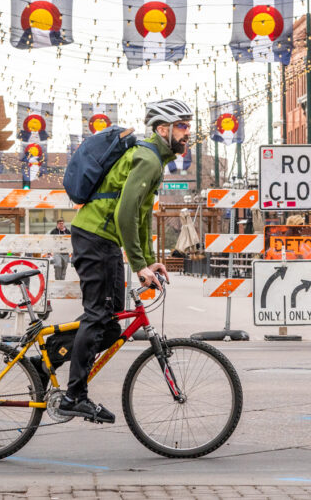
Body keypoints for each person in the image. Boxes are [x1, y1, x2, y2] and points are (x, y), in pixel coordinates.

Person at [57, 99, 191, 423]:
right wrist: (137, 264)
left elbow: (141, 217)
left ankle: (49, 356)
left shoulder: (152, 159)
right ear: (163, 129)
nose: (188, 133)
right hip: (96, 238)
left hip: (105, 241)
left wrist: (148, 261)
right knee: (98, 314)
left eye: (188, 126)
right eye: (182, 126)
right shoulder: (147, 158)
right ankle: (74, 396)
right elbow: (124, 212)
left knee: (113, 323)